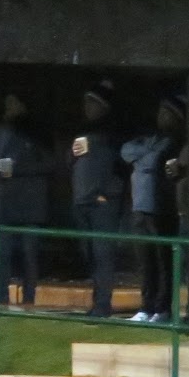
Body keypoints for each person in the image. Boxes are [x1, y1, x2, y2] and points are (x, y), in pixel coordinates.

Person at [0, 94, 52, 307]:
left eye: (15, 103)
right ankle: (1, 298)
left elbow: (50, 163)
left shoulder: (37, 133)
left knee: (29, 255)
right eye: (8, 104)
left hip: (30, 206)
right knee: (1, 254)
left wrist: (18, 170)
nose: (10, 108)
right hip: (4, 205)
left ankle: (29, 299)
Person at [122, 95, 185, 323]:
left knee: (162, 261)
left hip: (160, 208)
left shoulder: (174, 141)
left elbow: (154, 161)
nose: (162, 117)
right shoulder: (149, 137)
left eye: (167, 113)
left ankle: (162, 308)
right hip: (139, 207)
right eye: (160, 112)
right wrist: (143, 155)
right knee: (145, 262)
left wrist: (141, 157)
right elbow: (125, 151)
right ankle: (146, 307)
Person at [71, 79, 124, 317]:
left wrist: (107, 193)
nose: (87, 108)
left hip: (102, 203)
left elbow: (121, 163)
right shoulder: (81, 129)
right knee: (89, 254)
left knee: (103, 254)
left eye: (93, 103)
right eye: (85, 103)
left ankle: (103, 304)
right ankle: (96, 301)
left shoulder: (113, 132)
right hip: (82, 201)